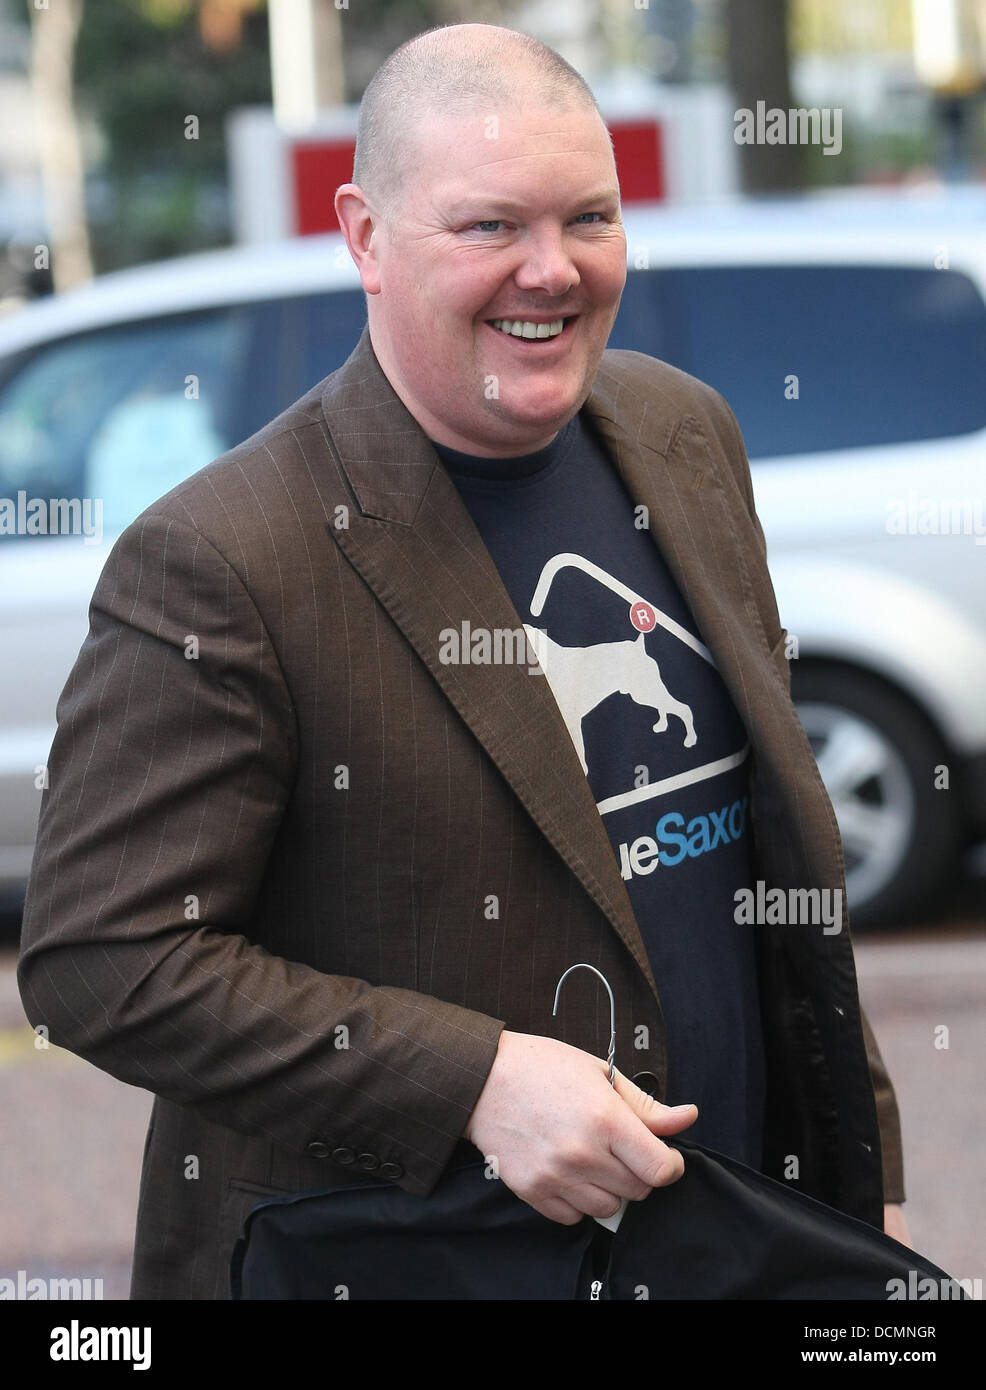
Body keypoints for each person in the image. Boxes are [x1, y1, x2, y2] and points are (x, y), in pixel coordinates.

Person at [17, 23, 908, 1300]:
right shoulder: (221, 557)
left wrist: (854, 1164)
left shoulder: (681, 431)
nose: (550, 270)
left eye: (587, 217)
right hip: (415, 1266)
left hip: (731, 1240)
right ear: (366, 237)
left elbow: (775, 847)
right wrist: (474, 1080)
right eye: (489, 226)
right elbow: (105, 960)